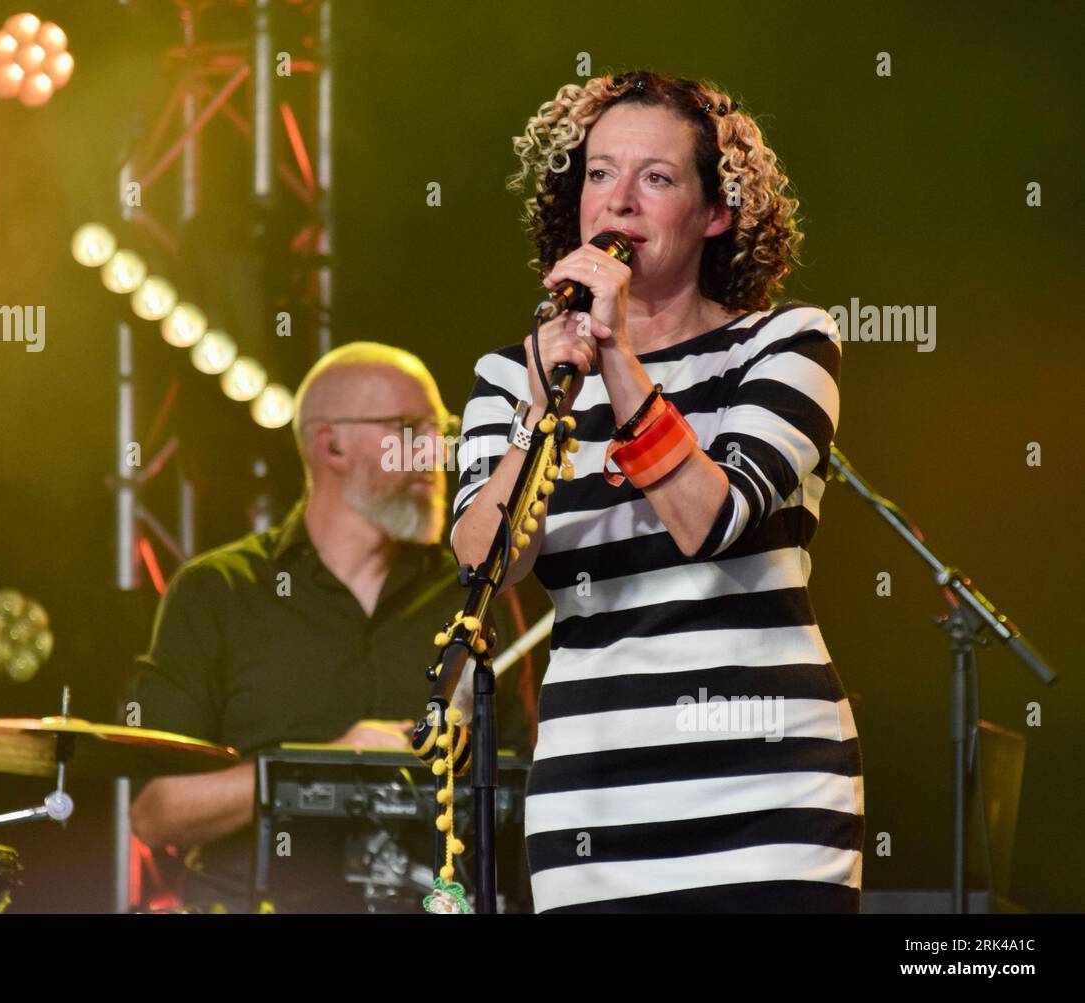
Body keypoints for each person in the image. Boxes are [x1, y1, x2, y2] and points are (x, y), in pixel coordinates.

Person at [451, 69, 864, 913]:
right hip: (592, 803)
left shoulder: (784, 345)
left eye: (657, 177)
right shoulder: (513, 377)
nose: (620, 203)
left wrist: (616, 356)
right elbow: (486, 557)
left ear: (717, 213)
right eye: (600, 174)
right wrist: (542, 403)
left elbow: (710, 518)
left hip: (764, 797)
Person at [129, 341, 534, 912]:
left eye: (442, 429)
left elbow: (529, 796)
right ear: (333, 444)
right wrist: (333, 763)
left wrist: (470, 760)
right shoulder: (217, 591)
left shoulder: (474, 593)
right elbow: (155, 811)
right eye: (410, 428)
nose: (439, 451)